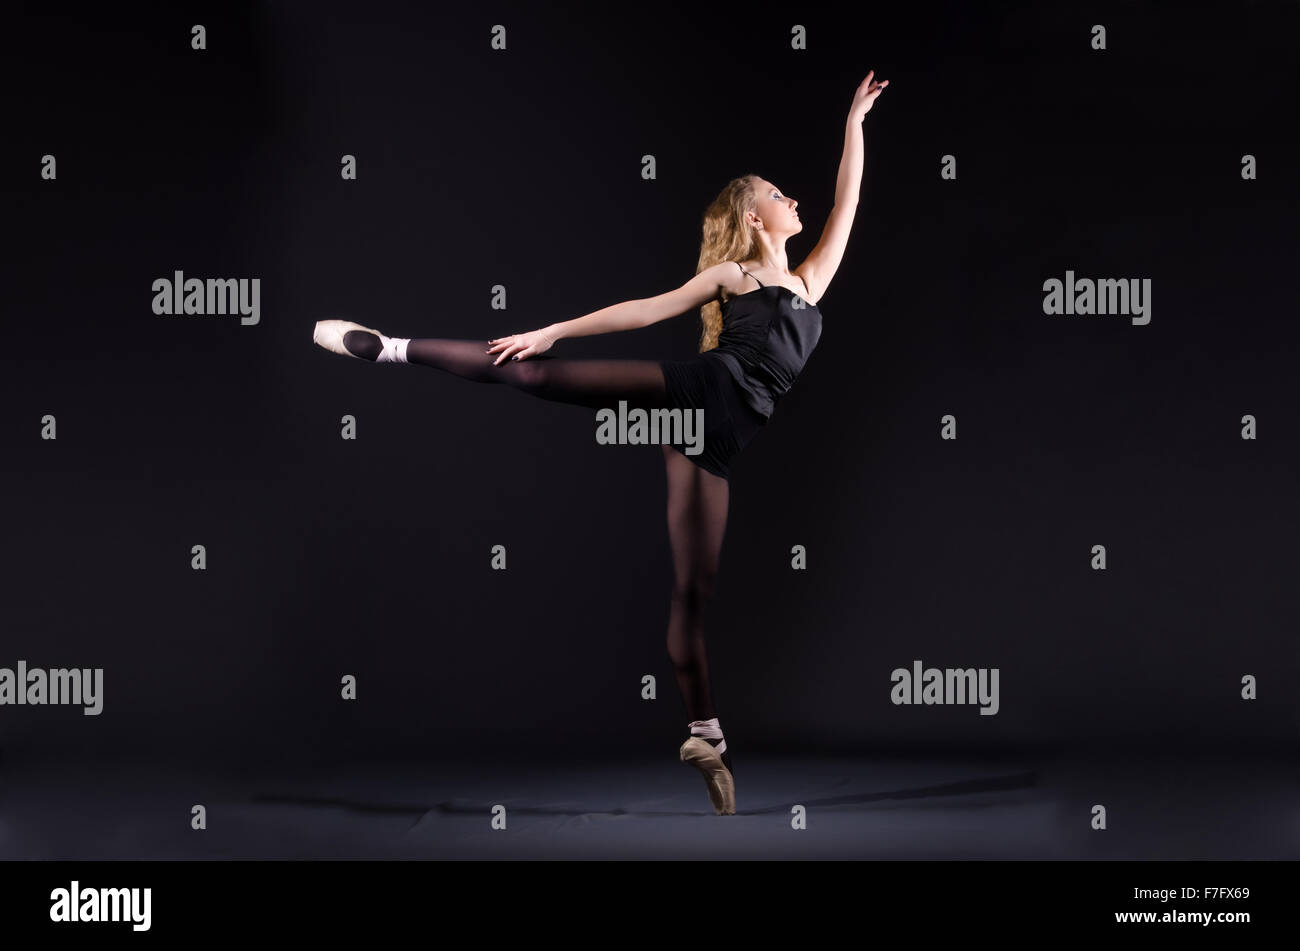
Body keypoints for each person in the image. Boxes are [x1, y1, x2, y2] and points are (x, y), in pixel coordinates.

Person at [312, 71, 889, 815]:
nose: (794, 200)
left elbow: (847, 202)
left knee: (693, 592)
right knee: (536, 373)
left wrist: (854, 123)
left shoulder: (810, 284)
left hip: (717, 443)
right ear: (754, 216)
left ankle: (704, 734)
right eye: (779, 194)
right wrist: (552, 328)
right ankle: (389, 347)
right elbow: (647, 309)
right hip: (700, 393)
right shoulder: (737, 273)